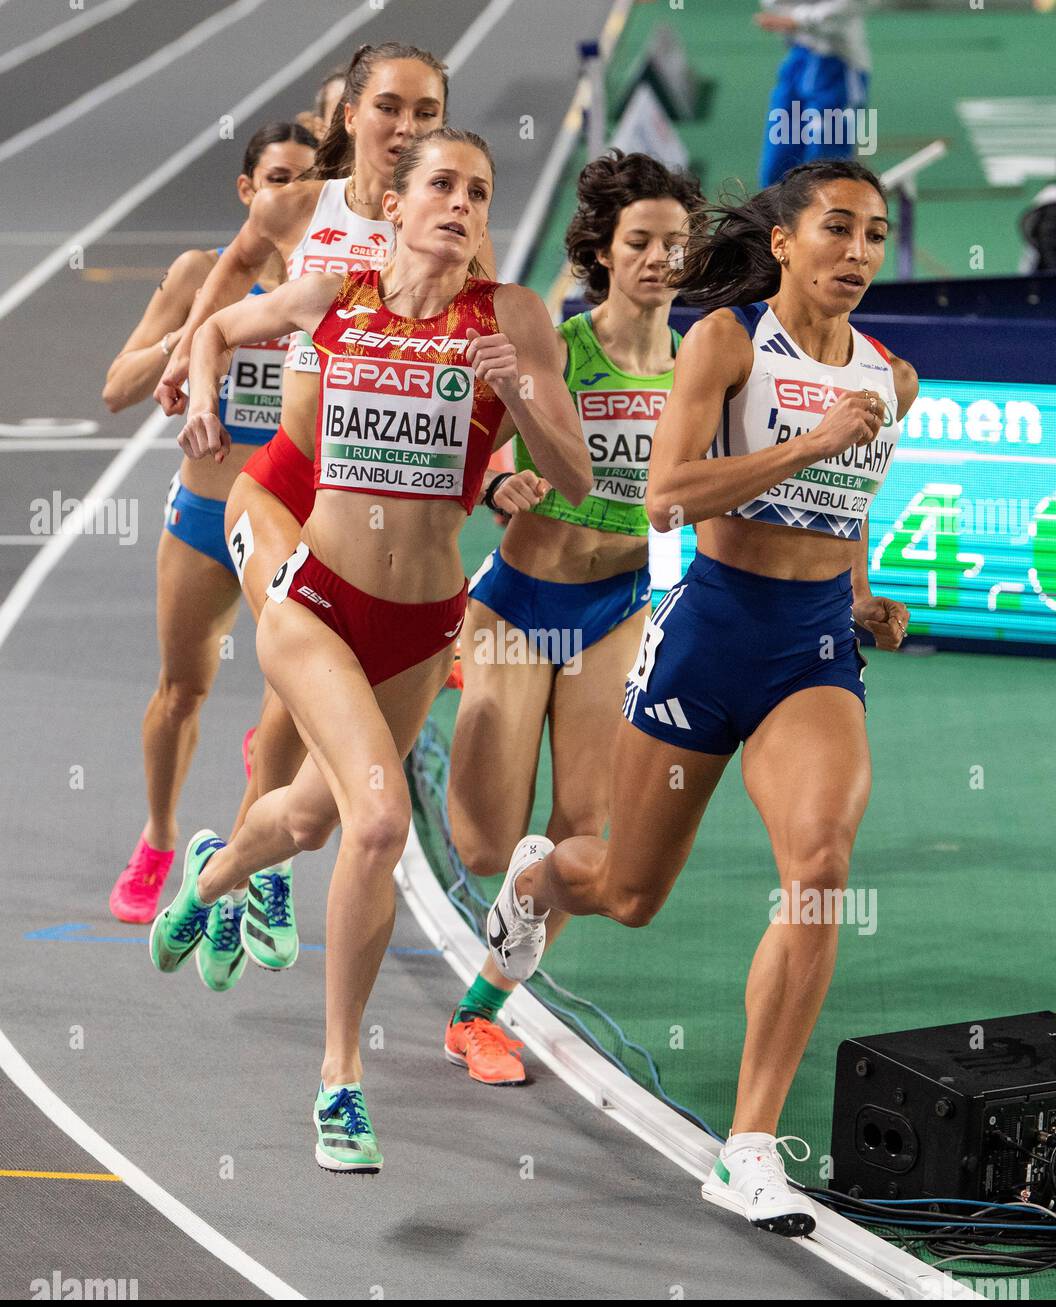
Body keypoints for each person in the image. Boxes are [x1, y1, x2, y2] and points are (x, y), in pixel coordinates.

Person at [485, 159, 918, 1237]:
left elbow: (849, 500)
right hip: (705, 638)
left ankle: (749, 1144)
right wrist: (806, 441)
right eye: (837, 228)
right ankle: (541, 876)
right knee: (629, 892)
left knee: (819, 864)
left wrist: (863, 592)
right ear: (782, 240)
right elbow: (670, 494)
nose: (858, 252)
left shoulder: (894, 378)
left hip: (810, 652)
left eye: (875, 234)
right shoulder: (728, 343)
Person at [149, 128, 592, 1172]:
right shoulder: (335, 296)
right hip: (316, 598)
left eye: (479, 192)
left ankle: (210, 873)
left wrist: (518, 392)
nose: (460, 205)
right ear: (393, 205)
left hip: (424, 616)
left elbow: (574, 474)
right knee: (380, 817)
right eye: (441, 184)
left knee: (309, 815)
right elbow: (215, 326)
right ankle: (340, 1082)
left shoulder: (513, 316)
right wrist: (205, 403)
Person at [155, 43, 494, 979]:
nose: (408, 129)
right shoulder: (302, 204)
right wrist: (193, 375)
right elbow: (226, 285)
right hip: (283, 479)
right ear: (350, 116)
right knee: (300, 657)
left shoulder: (451, 218)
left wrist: (499, 464)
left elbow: (473, 349)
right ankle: (262, 867)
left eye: (427, 113)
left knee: (301, 706)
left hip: (377, 495)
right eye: (390, 108)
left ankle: (254, 851)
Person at [445, 150, 703, 1086]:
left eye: (676, 245)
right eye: (641, 242)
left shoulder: (698, 363)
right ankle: (432, 692)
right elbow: (485, 449)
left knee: (580, 835)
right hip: (521, 605)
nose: (661, 261)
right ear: (604, 248)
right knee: (482, 844)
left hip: (617, 606)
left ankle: (479, 1012)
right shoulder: (566, 346)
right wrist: (497, 482)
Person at [105, 123, 317, 988]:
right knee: (181, 690)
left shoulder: (331, 279)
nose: (289, 194)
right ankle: (161, 838)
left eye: (307, 179)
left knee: (293, 703)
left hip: (292, 520)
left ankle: (241, 867)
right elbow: (116, 387)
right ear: (246, 190)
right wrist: (199, 336)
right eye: (274, 178)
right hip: (204, 509)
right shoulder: (204, 273)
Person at [755, 0, 875, 186]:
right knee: (779, 161)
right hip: (799, 60)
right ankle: (775, 211)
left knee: (827, 163)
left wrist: (797, 19)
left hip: (838, 63)